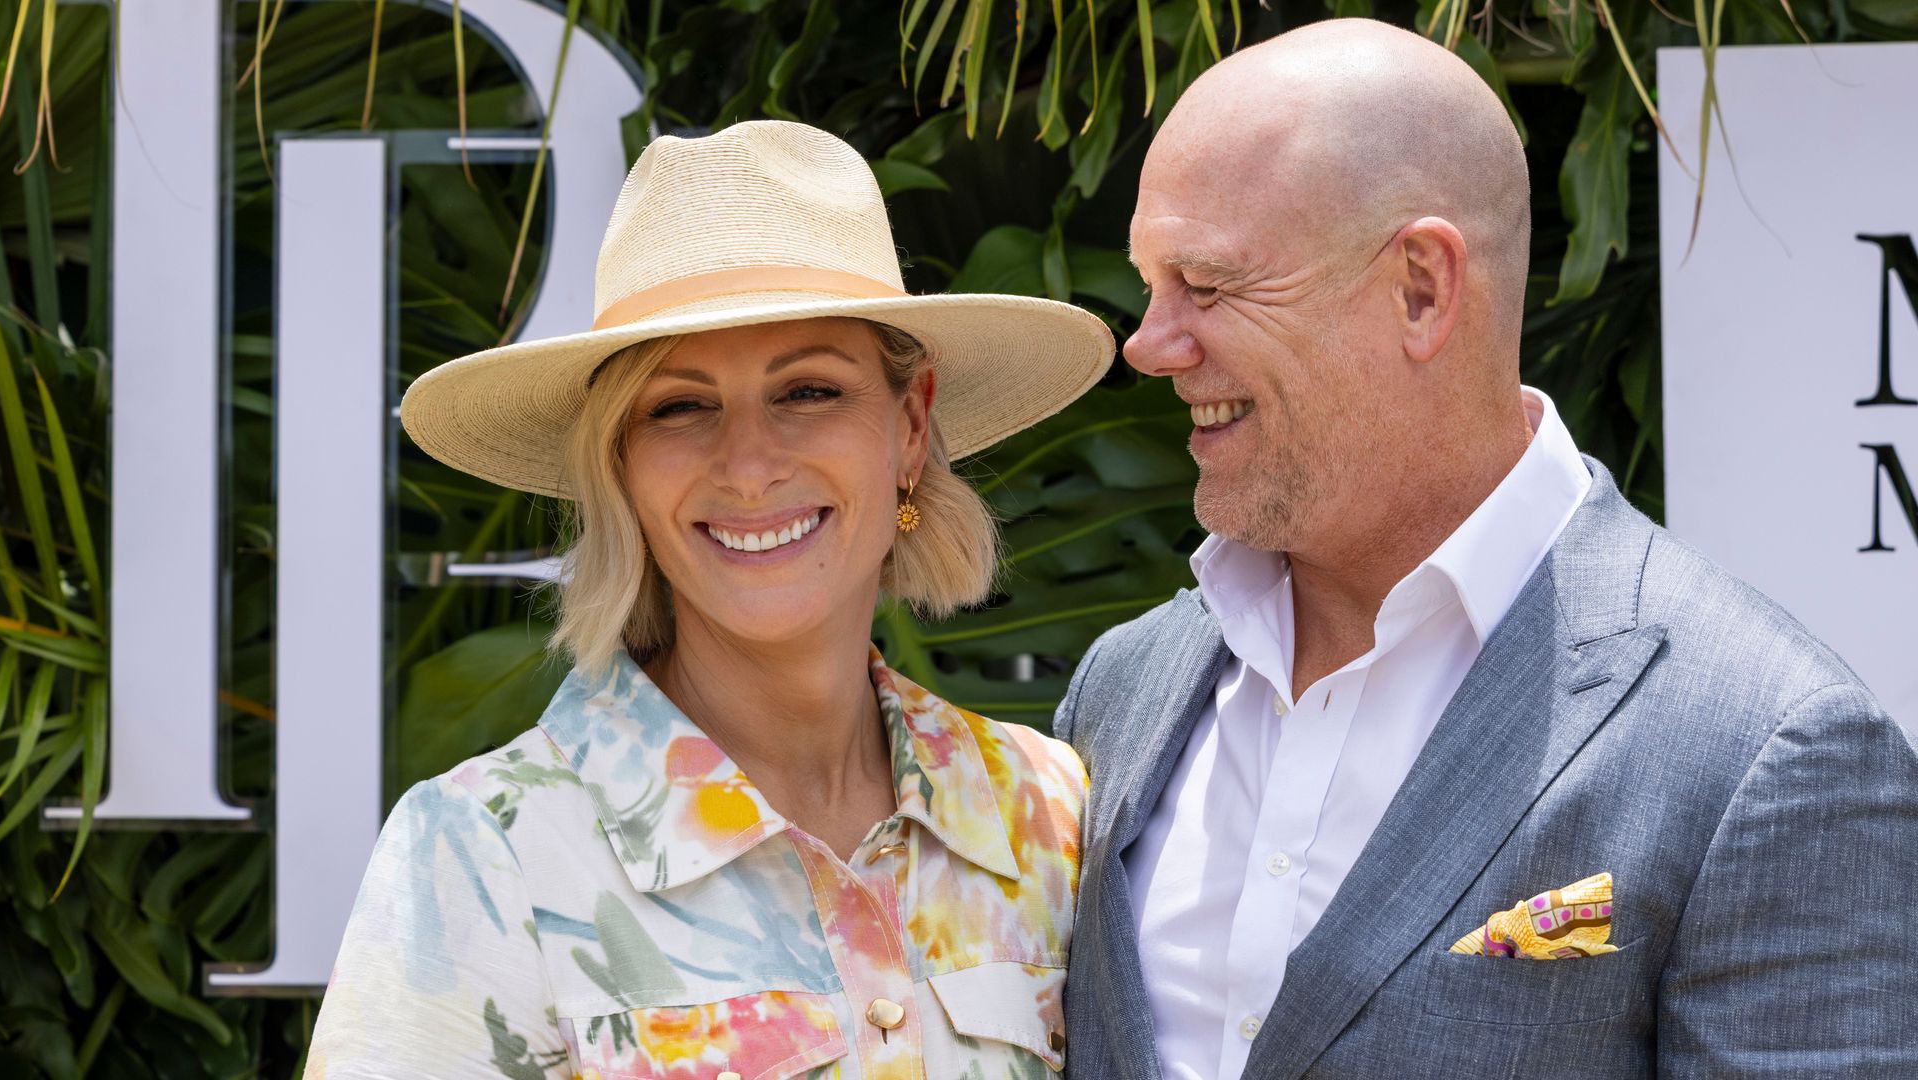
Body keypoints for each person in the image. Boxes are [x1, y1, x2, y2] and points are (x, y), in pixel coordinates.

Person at [1054, 18, 1918, 1080]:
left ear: (1421, 288)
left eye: (1208, 283)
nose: (1149, 344)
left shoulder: (1765, 749)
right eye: (1151, 284)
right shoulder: (1122, 691)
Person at [307, 120, 1112, 1077]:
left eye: (808, 391)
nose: (749, 465)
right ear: (621, 465)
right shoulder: (486, 854)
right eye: (679, 406)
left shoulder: (1048, 814)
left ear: (909, 424)